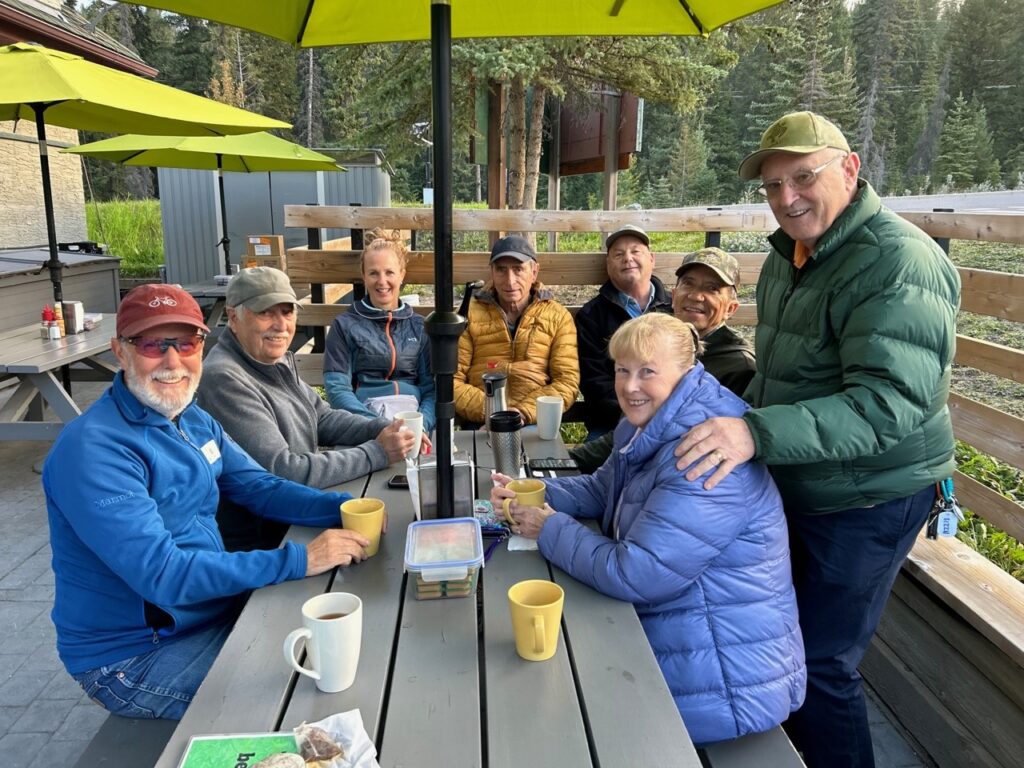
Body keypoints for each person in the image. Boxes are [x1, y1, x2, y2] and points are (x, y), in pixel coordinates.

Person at [675, 111, 960, 767]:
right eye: (772, 186)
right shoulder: (790, 257)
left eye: (802, 177)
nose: (786, 198)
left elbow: (887, 405)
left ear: (850, 169)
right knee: (781, 638)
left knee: (821, 661)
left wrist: (753, 433)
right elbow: (777, 379)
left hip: (869, 496)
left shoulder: (899, 262)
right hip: (807, 477)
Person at [43, 284, 379, 720]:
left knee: (347, 651)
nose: (171, 360)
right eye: (151, 344)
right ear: (119, 352)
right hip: (135, 655)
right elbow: (164, 575)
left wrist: (344, 510)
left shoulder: (190, 418)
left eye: (186, 343)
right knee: (307, 701)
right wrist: (299, 559)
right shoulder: (94, 450)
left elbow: (260, 486)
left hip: (210, 610)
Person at [492, 313, 805, 745]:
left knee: (540, 714)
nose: (629, 386)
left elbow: (638, 572)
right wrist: (531, 492)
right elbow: (603, 489)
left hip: (721, 679)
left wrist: (549, 528)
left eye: (647, 372)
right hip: (674, 636)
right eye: (622, 370)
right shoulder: (652, 423)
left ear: (688, 371)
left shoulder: (705, 452)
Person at [198, 267, 425, 551]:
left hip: (301, 513)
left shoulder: (269, 359)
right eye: (266, 313)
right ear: (233, 317)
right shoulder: (224, 378)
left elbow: (323, 417)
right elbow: (283, 470)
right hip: (269, 540)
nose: (281, 325)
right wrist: (377, 452)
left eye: (287, 312)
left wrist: (385, 428)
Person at [570, 247, 754, 473]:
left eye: (712, 289)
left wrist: (572, 460)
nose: (696, 296)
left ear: (731, 308)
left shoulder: (740, 366)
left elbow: (656, 433)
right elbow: (631, 429)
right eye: (688, 284)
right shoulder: (658, 340)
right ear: (674, 295)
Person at [454, 234, 579, 425]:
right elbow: (451, 380)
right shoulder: (468, 314)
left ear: (534, 272)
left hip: (536, 422)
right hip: (480, 421)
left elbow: (566, 381)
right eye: (501, 270)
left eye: (518, 269)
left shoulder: (558, 316)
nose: (510, 281)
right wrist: (494, 411)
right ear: (492, 272)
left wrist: (522, 413)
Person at [322, 232, 436, 431]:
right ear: (364, 276)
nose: (382, 281)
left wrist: (422, 425)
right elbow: (337, 389)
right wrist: (378, 427)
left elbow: (431, 389)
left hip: (413, 420)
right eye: (374, 273)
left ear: (402, 274)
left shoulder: (419, 326)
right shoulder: (344, 325)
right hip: (366, 421)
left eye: (389, 272)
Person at [574, 224, 672, 440]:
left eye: (636, 251)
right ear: (609, 265)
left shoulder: (675, 309)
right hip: (613, 424)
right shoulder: (591, 316)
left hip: (672, 421)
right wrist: (637, 416)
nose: (628, 258)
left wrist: (665, 418)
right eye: (619, 254)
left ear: (652, 259)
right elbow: (594, 381)